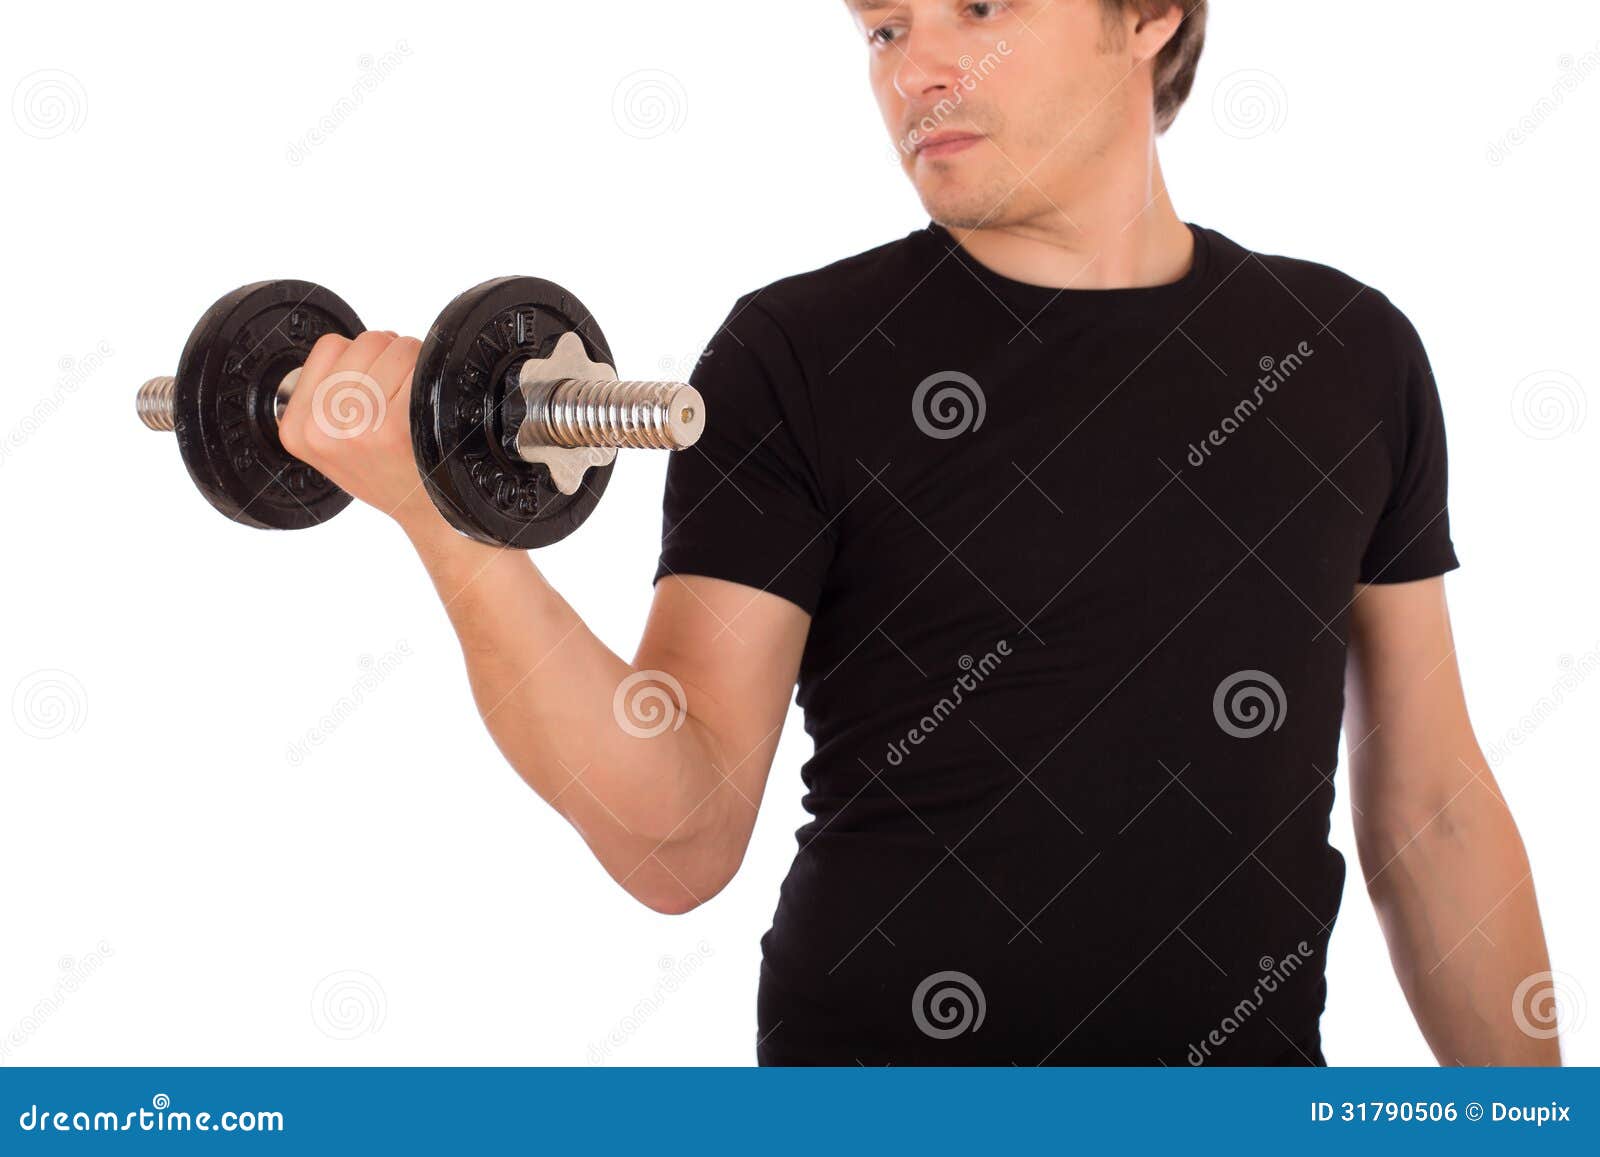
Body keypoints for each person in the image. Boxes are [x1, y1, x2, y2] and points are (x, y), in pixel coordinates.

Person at [275, 0, 1559, 1065]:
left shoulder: (1345, 353)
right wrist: (445, 516)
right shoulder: (799, 355)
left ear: (1149, 18)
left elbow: (1431, 807)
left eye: (979, 11)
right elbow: (677, 831)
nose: (918, 70)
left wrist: (1533, 1126)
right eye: (884, 30)